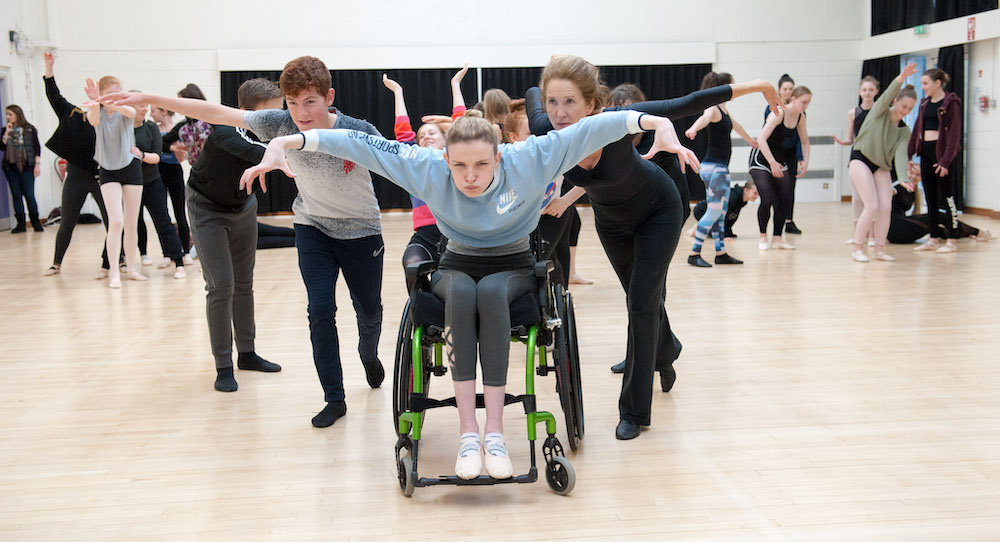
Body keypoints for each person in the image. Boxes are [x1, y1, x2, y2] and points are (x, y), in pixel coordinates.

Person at [239, 106, 692, 478]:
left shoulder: (530, 158)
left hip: (512, 262)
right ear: (446, 160)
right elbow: (358, 144)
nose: (469, 176)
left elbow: (597, 126)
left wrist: (656, 123)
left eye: (480, 165)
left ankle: (495, 432)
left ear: (499, 158)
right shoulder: (426, 167)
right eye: (459, 165)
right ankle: (468, 432)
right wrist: (286, 142)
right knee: (458, 290)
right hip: (457, 259)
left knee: (492, 292)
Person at [102, 56, 386, 428]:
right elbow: (212, 111)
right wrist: (145, 97)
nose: (300, 112)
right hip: (313, 227)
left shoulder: (357, 130)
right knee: (319, 311)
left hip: (361, 231)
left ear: (328, 97)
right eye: (293, 102)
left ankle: (369, 352)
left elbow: (401, 162)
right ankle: (334, 396)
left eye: (310, 102)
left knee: (368, 311)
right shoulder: (278, 122)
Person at [525, 53, 780, 440]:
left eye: (570, 101)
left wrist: (759, 85)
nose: (560, 112)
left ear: (592, 104)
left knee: (640, 303)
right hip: (611, 223)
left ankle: (634, 412)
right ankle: (666, 348)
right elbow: (531, 93)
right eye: (553, 102)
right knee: (642, 299)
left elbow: (685, 104)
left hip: (658, 211)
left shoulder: (615, 122)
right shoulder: (545, 126)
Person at [176, 78, 284, 392]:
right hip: (206, 208)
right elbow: (256, 153)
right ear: (247, 112)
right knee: (221, 285)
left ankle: (247, 354)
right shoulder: (224, 130)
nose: (276, 121)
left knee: (244, 281)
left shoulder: (274, 132)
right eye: (269, 115)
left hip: (243, 206)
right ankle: (223, 365)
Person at [382, 65, 468, 291]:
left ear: (446, 139)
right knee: (411, 265)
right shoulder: (414, 161)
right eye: (421, 135)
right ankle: (424, 311)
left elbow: (462, 124)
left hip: (456, 232)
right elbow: (402, 133)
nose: (426, 136)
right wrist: (398, 93)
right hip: (425, 234)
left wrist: (455, 85)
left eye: (432, 133)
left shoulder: (454, 158)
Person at [39, 52, 111, 275]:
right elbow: (54, 95)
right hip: (76, 176)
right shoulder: (73, 114)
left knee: (112, 221)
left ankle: (112, 262)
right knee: (67, 221)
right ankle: (56, 263)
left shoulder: (108, 121)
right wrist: (49, 68)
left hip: (101, 176)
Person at [683, 72, 758, 267]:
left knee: (721, 212)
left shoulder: (724, 111)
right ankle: (694, 253)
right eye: (732, 86)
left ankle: (720, 252)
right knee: (714, 211)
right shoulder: (714, 109)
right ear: (724, 88)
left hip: (719, 168)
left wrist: (750, 140)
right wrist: (693, 128)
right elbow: (705, 117)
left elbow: (737, 125)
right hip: (714, 168)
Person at [845, 63, 918, 263]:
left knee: (886, 208)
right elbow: (886, 94)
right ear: (895, 101)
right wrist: (901, 77)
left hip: (881, 165)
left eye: (910, 109)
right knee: (871, 205)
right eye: (903, 106)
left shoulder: (904, 130)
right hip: (861, 159)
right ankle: (858, 247)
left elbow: (901, 155)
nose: (905, 111)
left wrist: (903, 177)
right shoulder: (879, 111)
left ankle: (879, 249)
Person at [84, 75, 146, 288]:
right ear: (102, 94)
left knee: (131, 223)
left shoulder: (126, 110)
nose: (115, 97)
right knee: (116, 222)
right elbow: (93, 121)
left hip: (131, 167)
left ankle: (131, 269)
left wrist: (115, 102)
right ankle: (114, 272)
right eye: (110, 93)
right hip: (108, 170)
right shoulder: (97, 111)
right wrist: (96, 101)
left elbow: (131, 112)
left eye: (118, 92)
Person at [131, 94, 187, 278]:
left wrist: (140, 154)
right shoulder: (123, 129)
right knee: (128, 222)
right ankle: (116, 263)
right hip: (130, 181)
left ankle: (179, 260)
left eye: (147, 106)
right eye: (142, 106)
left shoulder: (151, 128)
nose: (145, 109)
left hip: (153, 178)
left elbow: (156, 155)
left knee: (165, 219)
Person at [907, 68, 963, 254]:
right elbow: (917, 130)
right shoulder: (924, 104)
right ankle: (933, 238)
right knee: (930, 197)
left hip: (943, 155)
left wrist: (945, 161)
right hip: (927, 153)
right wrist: (909, 154)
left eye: (925, 83)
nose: (922, 87)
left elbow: (954, 135)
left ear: (937, 83)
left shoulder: (951, 103)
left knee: (946, 198)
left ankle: (952, 239)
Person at [749, 86, 811, 250]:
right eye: (804, 102)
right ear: (794, 99)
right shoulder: (779, 113)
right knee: (767, 198)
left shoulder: (800, 117)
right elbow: (761, 139)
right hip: (761, 159)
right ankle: (763, 237)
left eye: (808, 103)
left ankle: (777, 239)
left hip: (779, 161)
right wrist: (771, 163)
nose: (806, 106)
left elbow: (804, 141)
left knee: (785, 198)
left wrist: (805, 161)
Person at [833, 76, 880, 246]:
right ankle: (857, 234)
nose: (867, 93)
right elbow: (850, 138)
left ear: (876, 92)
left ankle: (873, 236)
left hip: (875, 156)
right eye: (864, 90)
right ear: (860, 92)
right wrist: (842, 142)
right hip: (857, 156)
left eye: (871, 90)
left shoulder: (879, 111)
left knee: (872, 199)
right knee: (857, 198)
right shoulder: (853, 112)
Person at [151, 104, 196, 266]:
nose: (151, 114)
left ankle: (185, 252)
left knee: (180, 212)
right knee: (161, 214)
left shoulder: (179, 128)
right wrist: (171, 146)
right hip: (157, 172)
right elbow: (157, 146)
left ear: (163, 111)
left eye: (153, 111)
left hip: (174, 171)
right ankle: (167, 253)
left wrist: (178, 149)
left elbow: (181, 155)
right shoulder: (153, 129)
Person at [887, 178, 992, 244]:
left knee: (937, 230)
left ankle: (968, 233)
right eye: (911, 173)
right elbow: (887, 191)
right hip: (895, 227)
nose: (914, 177)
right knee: (938, 216)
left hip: (900, 230)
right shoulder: (897, 185)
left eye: (917, 175)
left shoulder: (914, 192)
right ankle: (978, 232)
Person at [1, 105, 43, 233]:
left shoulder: (29, 129)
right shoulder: (5, 130)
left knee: (29, 195)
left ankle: (35, 222)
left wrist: (37, 165)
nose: (8, 117)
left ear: (17, 114)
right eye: (7, 114)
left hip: (27, 166)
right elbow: (2, 147)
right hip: (10, 167)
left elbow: (37, 148)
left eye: (10, 114)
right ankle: (21, 224)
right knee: (16, 195)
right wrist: (7, 133)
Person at [687, 181, 759, 240]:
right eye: (755, 193)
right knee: (716, 235)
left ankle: (704, 226)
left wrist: (729, 233)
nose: (756, 197)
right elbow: (723, 215)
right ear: (746, 190)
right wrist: (724, 235)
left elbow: (732, 217)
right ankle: (699, 227)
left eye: (758, 194)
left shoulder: (742, 201)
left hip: (713, 213)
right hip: (702, 210)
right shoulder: (733, 196)